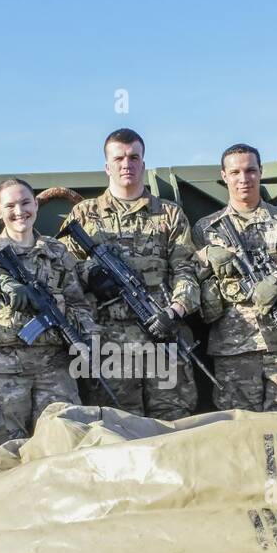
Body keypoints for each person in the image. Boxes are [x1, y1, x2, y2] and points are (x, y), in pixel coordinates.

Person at [59, 128, 199, 419]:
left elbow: (187, 269)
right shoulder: (84, 215)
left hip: (163, 339)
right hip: (109, 345)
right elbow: (61, 270)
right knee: (117, 431)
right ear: (107, 166)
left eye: (134, 157)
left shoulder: (169, 214)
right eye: (119, 158)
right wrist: (90, 273)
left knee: (175, 426)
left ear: (143, 164)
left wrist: (175, 310)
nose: (127, 164)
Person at [0, 179, 96, 450]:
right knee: (3, 458)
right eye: (10, 205)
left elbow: (79, 303)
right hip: (0, 372)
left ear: (36, 205)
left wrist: (87, 342)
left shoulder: (56, 251)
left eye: (26, 202)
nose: (19, 211)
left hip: (54, 370)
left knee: (63, 452)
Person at [192, 143, 277, 410]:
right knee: (238, 432)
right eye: (236, 172)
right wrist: (207, 255)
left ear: (260, 172)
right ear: (224, 176)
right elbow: (183, 268)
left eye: (251, 170)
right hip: (234, 349)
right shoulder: (206, 229)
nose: (244, 179)